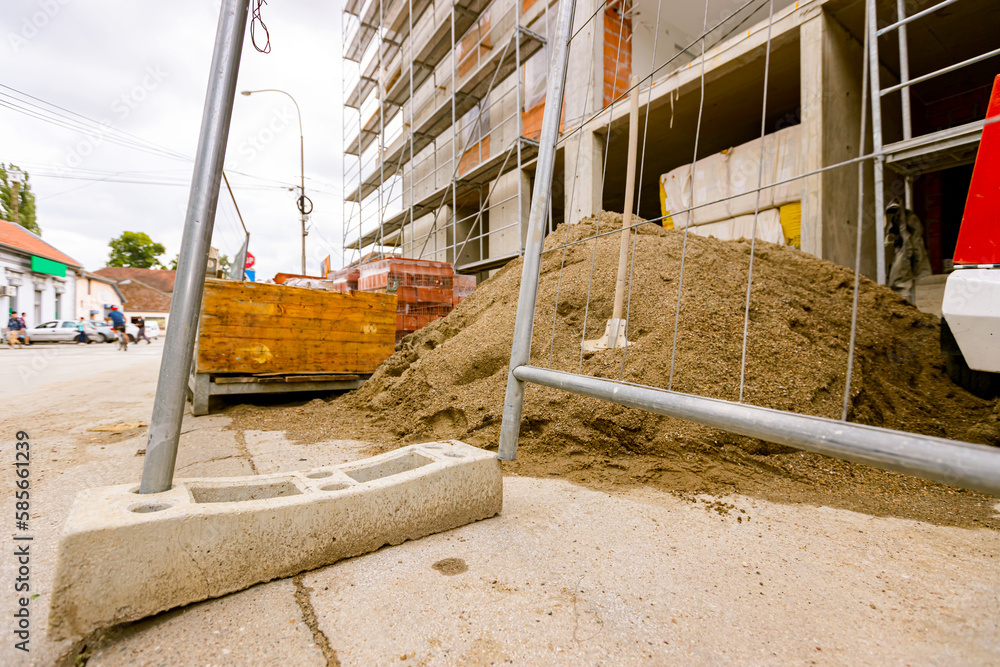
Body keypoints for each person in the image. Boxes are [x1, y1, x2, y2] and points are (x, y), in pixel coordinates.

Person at [884, 199, 932, 304]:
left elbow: (912, 249)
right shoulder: (906, 235)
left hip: (905, 286)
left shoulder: (909, 228)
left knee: (902, 284)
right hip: (906, 282)